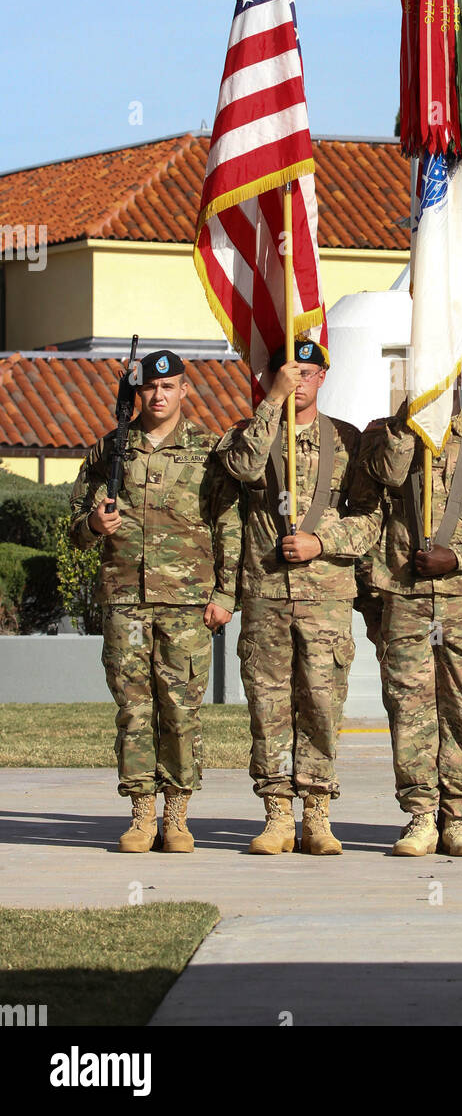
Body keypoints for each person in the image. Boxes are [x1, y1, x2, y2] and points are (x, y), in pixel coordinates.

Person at [69, 350, 241, 853]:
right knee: (134, 710)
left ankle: (178, 815)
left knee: (182, 710)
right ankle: (142, 813)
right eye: (149, 388)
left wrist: (226, 594)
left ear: (186, 391)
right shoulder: (109, 452)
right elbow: (76, 527)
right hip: (126, 603)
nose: (159, 396)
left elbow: (229, 528)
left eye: (169, 387)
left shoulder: (209, 453)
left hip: (188, 605)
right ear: (137, 394)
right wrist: (94, 526)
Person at [216, 341, 382, 856]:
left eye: (308, 373)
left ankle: (317, 812)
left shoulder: (348, 442)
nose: (300, 382)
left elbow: (372, 519)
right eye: (290, 373)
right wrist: (271, 402)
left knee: (321, 702)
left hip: (325, 597)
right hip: (265, 591)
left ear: (324, 377)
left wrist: (323, 541)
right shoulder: (248, 435)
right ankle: (276, 813)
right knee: (268, 705)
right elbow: (240, 471)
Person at [361, 398, 462, 857]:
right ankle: (421, 815)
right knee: (410, 710)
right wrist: (407, 427)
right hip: (406, 598)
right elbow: (377, 496)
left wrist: (459, 556)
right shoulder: (382, 436)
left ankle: (460, 819)